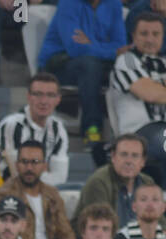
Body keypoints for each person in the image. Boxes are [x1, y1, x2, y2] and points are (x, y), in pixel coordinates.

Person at [109, 11, 166, 192]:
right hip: (145, 128)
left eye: (156, 34)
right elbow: (151, 95)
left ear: (163, 37)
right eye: (144, 34)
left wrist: (163, 83)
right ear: (133, 36)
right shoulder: (127, 60)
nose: (150, 39)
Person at [38, 0, 125, 143]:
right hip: (58, 65)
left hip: (97, 63)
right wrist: (110, 51)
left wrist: (91, 44)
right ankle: (92, 128)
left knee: (123, 67)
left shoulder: (114, 4)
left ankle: (125, 131)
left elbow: (120, 45)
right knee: (89, 65)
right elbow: (75, 48)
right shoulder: (68, 4)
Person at [0, 140, 75, 239]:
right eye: (24, 162)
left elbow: (65, 231)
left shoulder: (52, 194)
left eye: (35, 162)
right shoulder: (5, 195)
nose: (29, 168)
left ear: (44, 166)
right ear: (16, 165)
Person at [0, 72, 71, 187]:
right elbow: (17, 174)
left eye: (50, 95)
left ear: (58, 99)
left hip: (42, 193)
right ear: (28, 96)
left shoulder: (58, 129)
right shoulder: (12, 125)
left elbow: (60, 177)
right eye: (38, 94)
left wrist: (37, 172)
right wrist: (44, 169)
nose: (44, 101)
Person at [74, 133, 156, 230]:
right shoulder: (98, 182)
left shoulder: (147, 182)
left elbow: (158, 221)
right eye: (124, 154)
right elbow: (101, 229)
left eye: (135, 156)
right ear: (113, 157)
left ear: (143, 161)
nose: (129, 161)